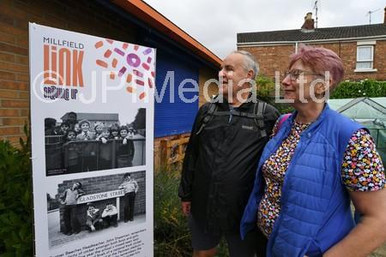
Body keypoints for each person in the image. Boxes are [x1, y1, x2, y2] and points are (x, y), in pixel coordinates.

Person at [241, 45, 386, 257]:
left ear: (323, 84)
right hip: (266, 244)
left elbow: (378, 220)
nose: (284, 80)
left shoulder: (352, 137)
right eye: (288, 73)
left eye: (296, 74)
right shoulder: (282, 124)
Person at [179, 50, 280, 257]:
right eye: (221, 68)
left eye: (229, 69)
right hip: (203, 204)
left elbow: (276, 165)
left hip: (244, 210)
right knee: (202, 253)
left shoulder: (266, 115)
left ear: (249, 76)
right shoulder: (208, 111)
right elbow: (192, 154)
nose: (221, 73)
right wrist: (186, 194)